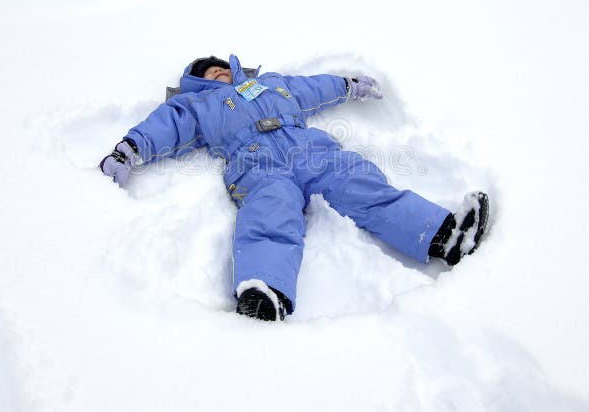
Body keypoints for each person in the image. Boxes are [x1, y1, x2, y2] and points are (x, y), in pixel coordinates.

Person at [100, 55, 490, 321]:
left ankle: (444, 235)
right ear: (196, 83)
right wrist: (129, 150)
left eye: (221, 69)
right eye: (209, 74)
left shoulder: (270, 84)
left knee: (360, 183)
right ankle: (265, 291)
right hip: (255, 161)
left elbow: (309, 89)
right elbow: (165, 128)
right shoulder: (195, 107)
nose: (218, 75)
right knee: (269, 212)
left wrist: (346, 84)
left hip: (310, 149)